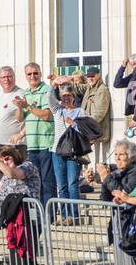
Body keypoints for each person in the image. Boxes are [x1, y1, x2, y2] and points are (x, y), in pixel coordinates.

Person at [13, 63, 55, 208]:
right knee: (34, 181)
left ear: (40, 73)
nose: (33, 76)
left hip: (45, 142)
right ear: (25, 76)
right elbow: (19, 118)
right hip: (32, 143)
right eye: (29, 74)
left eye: (35, 73)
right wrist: (19, 107)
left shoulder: (47, 91)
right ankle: (37, 212)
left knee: (47, 181)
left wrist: (27, 106)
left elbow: (46, 115)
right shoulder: (26, 93)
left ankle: (48, 214)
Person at [50, 90, 86, 221]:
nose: (66, 98)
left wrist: (73, 123)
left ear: (73, 97)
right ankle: (65, 215)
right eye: (63, 96)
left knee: (72, 184)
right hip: (57, 151)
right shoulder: (58, 111)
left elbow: (86, 129)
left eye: (69, 96)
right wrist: (54, 85)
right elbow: (50, 99)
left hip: (73, 151)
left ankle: (75, 215)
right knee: (62, 185)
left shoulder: (80, 111)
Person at [80, 67, 112, 166]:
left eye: (92, 76)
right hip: (90, 130)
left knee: (97, 163)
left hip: (96, 130)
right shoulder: (89, 88)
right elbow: (77, 87)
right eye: (88, 76)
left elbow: (100, 112)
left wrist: (86, 125)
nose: (90, 78)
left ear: (98, 76)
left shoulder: (102, 90)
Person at [113, 54, 136, 132]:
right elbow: (117, 83)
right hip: (135, 113)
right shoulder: (133, 76)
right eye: (133, 64)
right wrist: (123, 66)